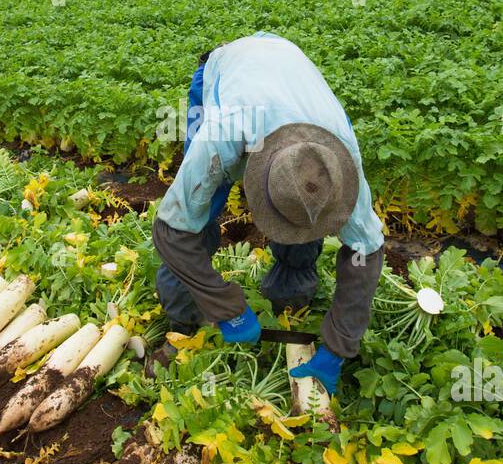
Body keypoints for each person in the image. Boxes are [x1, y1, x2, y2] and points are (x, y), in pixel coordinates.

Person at [153, 32, 385, 395]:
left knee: (304, 210)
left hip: (286, 67)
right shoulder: (222, 133)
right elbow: (171, 230)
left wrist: (340, 345)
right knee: (197, 217)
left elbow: (366, 250)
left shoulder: (339, 159)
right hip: (228, 70)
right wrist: (224, 303)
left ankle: (290, 290)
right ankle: (183, 323)